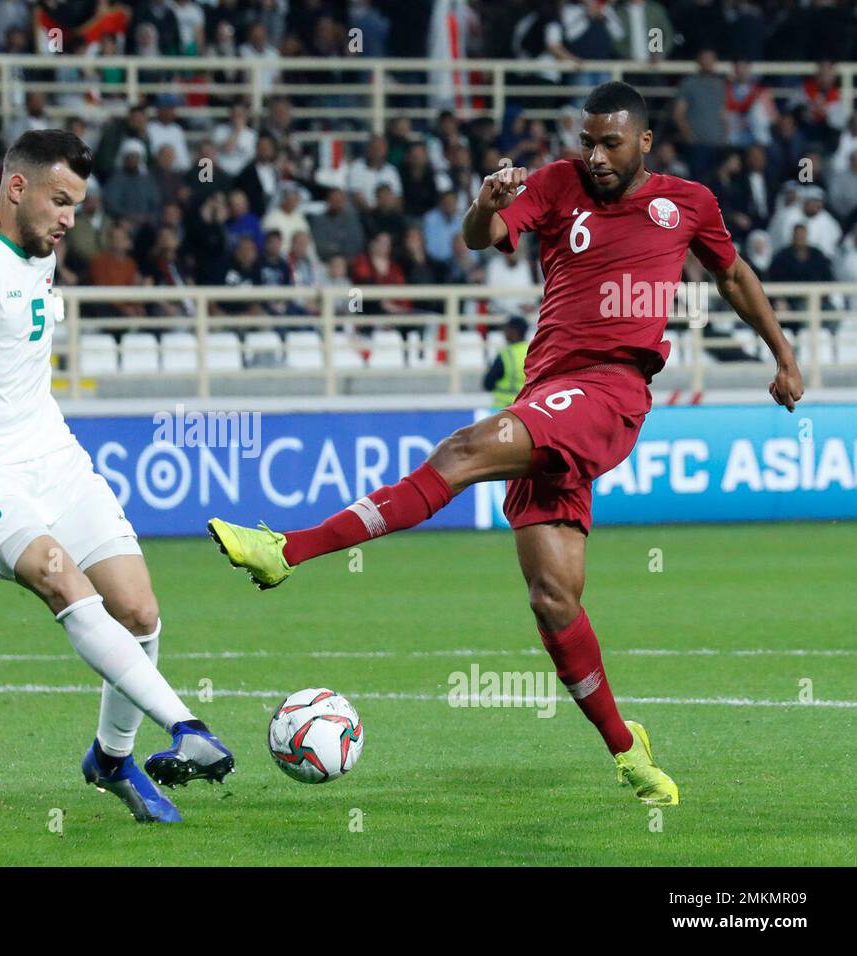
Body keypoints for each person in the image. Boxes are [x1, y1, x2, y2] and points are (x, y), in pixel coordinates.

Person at [206, 82, 804, 808]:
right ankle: (628, 751)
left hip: (610, 391)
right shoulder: (555, 184)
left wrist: (783, 354)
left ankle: (285, 552)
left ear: (645, 141)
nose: (595, 155)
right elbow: (479, 237)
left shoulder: (689, 203)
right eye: (587, 140)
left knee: (459, 453)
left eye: (610, 142)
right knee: (555, 599)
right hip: (547, 394)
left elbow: (733, 274)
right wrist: (487, 202)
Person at [0, 130, 233, 824]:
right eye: (60, 201)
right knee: (62, 578)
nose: (69, 220)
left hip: (51, 453)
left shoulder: (42, 250)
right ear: (15, 187)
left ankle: (111, 759)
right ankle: (187, 725)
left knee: (140, 610)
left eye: (78, 205)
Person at [484, 316, 530, 407]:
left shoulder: (506, 354)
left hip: (503, 408)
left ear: (514, 331)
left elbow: (488, 383)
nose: (504, 332)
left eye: (506, 329)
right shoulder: (533, 350)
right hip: (526, 406)